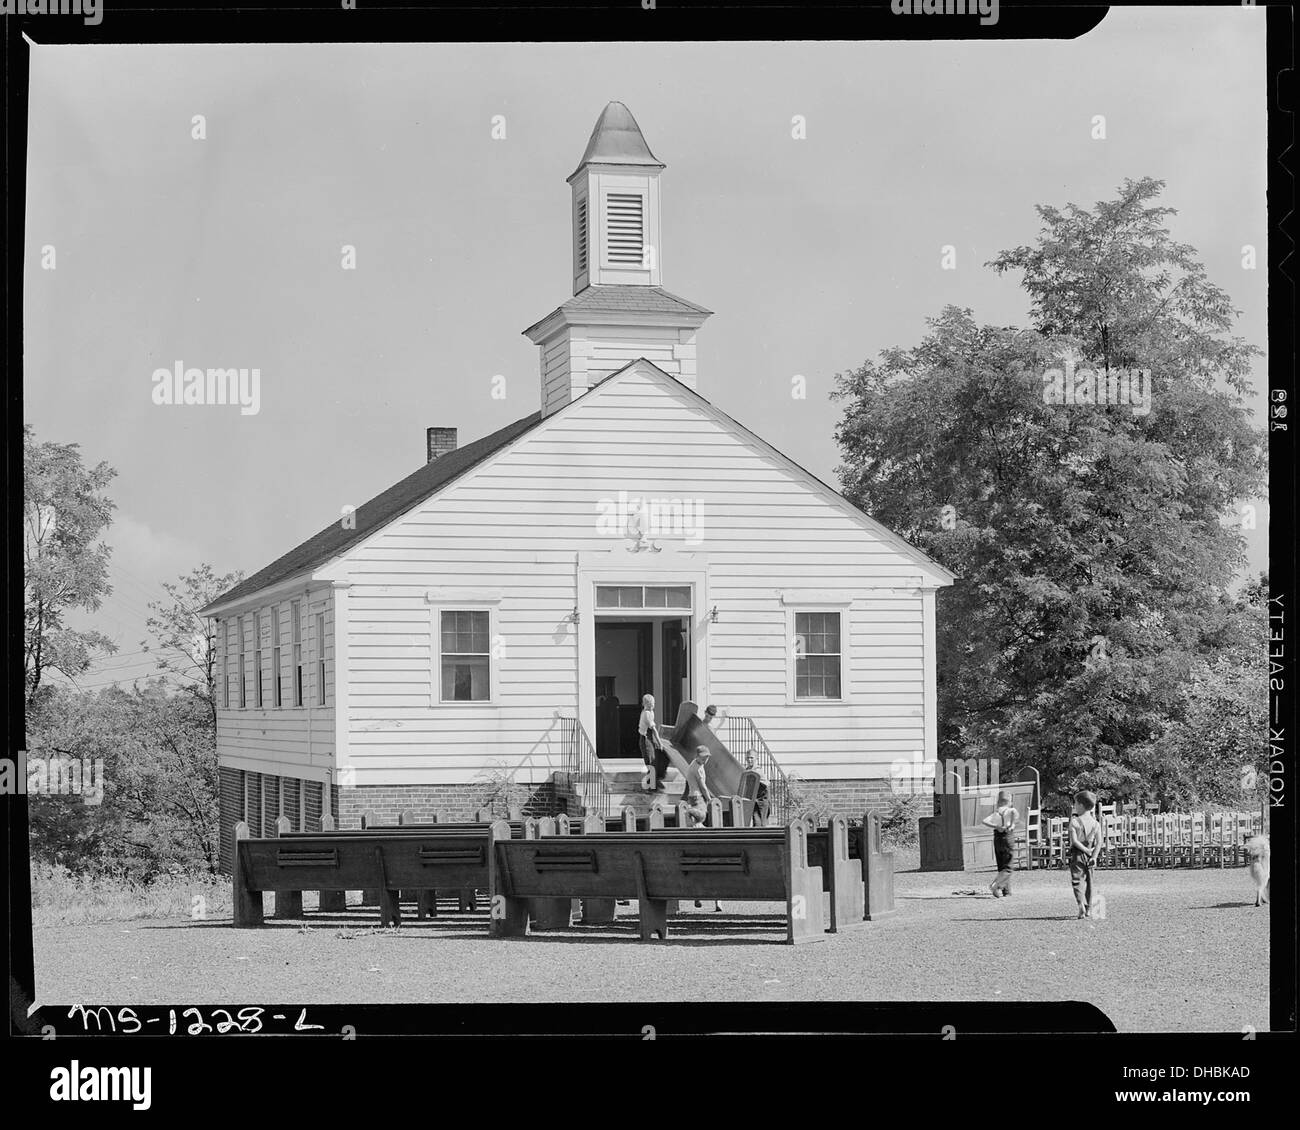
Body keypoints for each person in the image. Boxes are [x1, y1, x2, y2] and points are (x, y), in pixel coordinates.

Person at [684, 746, 722, 912]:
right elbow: (703, 785)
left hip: (692, 795)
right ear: (698, 756)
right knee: (702, 817)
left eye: (707, 757)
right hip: (698, 796)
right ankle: (691, 815)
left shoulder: (693, 763)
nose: (707, 759)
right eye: (704, 757)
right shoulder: (698, 768)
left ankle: (693, 820)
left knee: (697, 823)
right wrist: (711, 799)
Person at [1068, 790, 1102, 919]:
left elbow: (1075, 841)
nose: (1074, 806)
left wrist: (1085, 850)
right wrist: (1093, 856)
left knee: (1077, 881)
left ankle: (1080, 904)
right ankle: (1088, 909)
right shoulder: (1096, 823)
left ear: (1081, 805)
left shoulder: (1075, 822)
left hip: (1078, 855)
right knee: (1090, 882)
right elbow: (1099, 842)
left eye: (1075, 803)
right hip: (1090, 855)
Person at [981, 791, 1019, 897]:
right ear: (1010, 801)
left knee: (1001, 866)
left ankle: (1006, 891)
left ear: (998, 802)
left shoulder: (996, 812)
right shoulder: (1011, 810)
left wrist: (996, 826)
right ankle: (996, 885)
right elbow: (1013, 821)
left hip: (997, 838)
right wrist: (1010, 825)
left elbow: (984, 821)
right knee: (1008, 867)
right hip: (1007, 837)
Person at [637, 694, 669, 792]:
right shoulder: (646, 713)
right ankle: (650, 786)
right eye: (651, 703)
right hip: (645, 739)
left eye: (652, 703)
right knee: (651, 762)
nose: (652, 705)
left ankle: (655, 782)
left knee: (657, 759)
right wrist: (660, 743)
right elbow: (654, 730)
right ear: (646, 704)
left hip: (649, 738)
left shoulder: (650, 712)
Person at [743, 750, 770, 827]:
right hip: (753, 798)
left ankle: (762, 837)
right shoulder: (747, 770)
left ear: (756, 758)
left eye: (751, 758)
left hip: (762, 799)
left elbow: (766, 785)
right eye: (747, 758)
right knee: (755, 819)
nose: (749, 760)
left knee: (760, 821)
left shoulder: (758, 770)